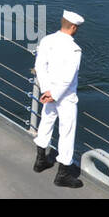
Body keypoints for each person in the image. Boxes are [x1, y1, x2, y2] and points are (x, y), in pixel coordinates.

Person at [33, 10, 85, 188]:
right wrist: (55, 94)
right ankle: (62, 175)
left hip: (48, 93)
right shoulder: (74, 49)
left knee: (46, 122)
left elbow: (40, 66)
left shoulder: (47, 40)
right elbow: (68, 78)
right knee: (67, 132)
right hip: (65, 97)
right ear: (73, 27)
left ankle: (40, 161)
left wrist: (47, 90)